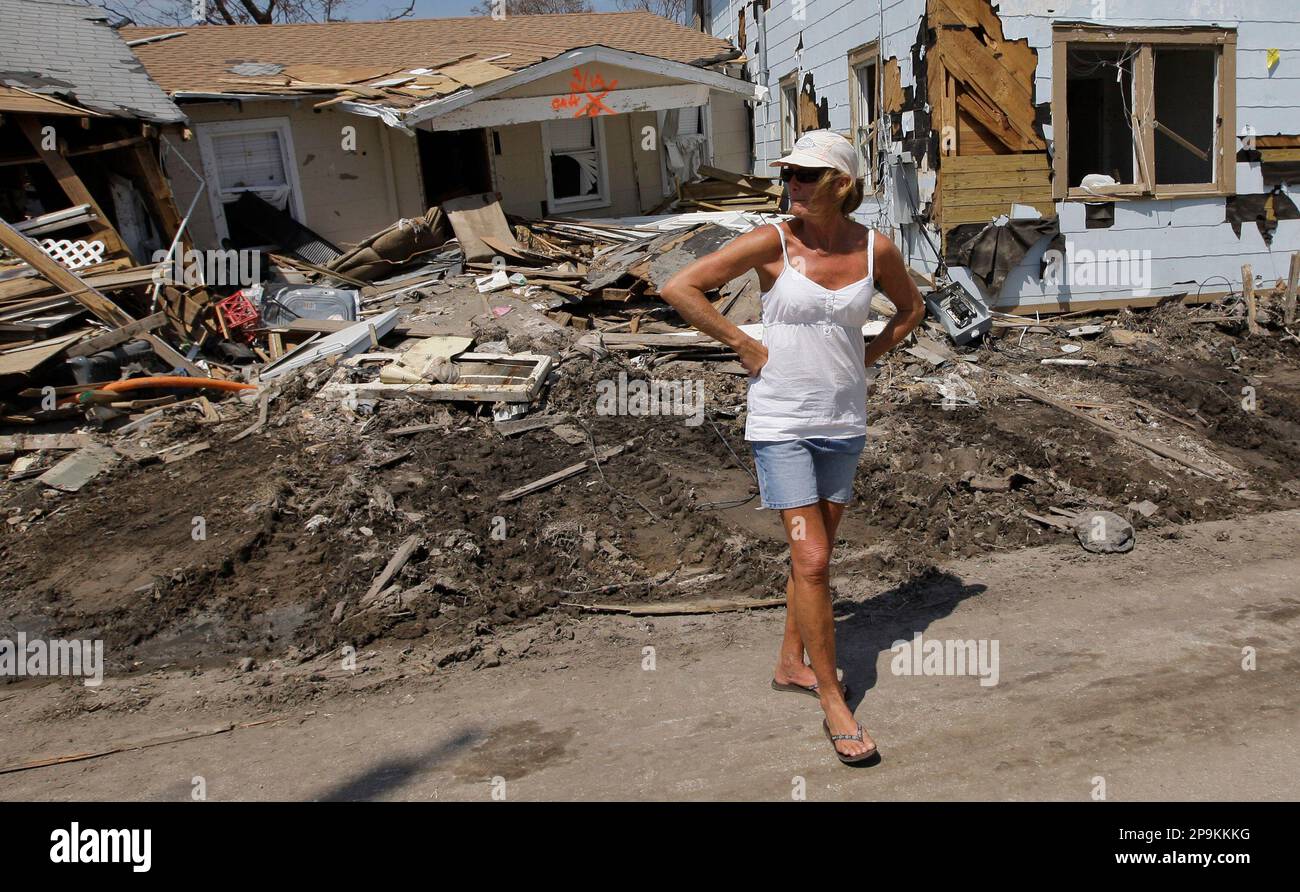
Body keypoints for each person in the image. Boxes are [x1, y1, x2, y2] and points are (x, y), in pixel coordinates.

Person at [661, 130, 926, 764]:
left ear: (842, 184)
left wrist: (870, 353)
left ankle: (789, 663)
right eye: (789, 174)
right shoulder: (772, 241)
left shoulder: (873, 249)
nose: (792, 185)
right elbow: (680, 287)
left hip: (842, 422)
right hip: (781, 422)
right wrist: (745, 344)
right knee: (811, 559)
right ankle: (835, 701)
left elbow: (911, 308)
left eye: (806, 175)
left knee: (817, 557)